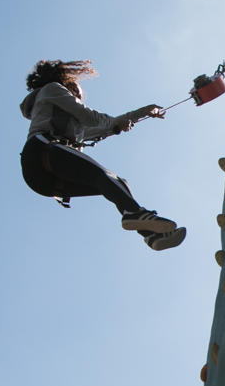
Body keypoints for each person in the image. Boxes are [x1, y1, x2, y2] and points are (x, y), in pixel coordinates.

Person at [19, 59, 186, 250]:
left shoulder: (72, 126)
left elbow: (104, 126)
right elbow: (89, 117)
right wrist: (112, 124)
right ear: (68, 87)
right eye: (77, 95)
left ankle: (150, 235)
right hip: (42, 151)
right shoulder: (52, 89)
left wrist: (144, 112)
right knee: (104, 177)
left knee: (115, 185)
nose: (79, 99)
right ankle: (135, 213)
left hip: (46, 182)